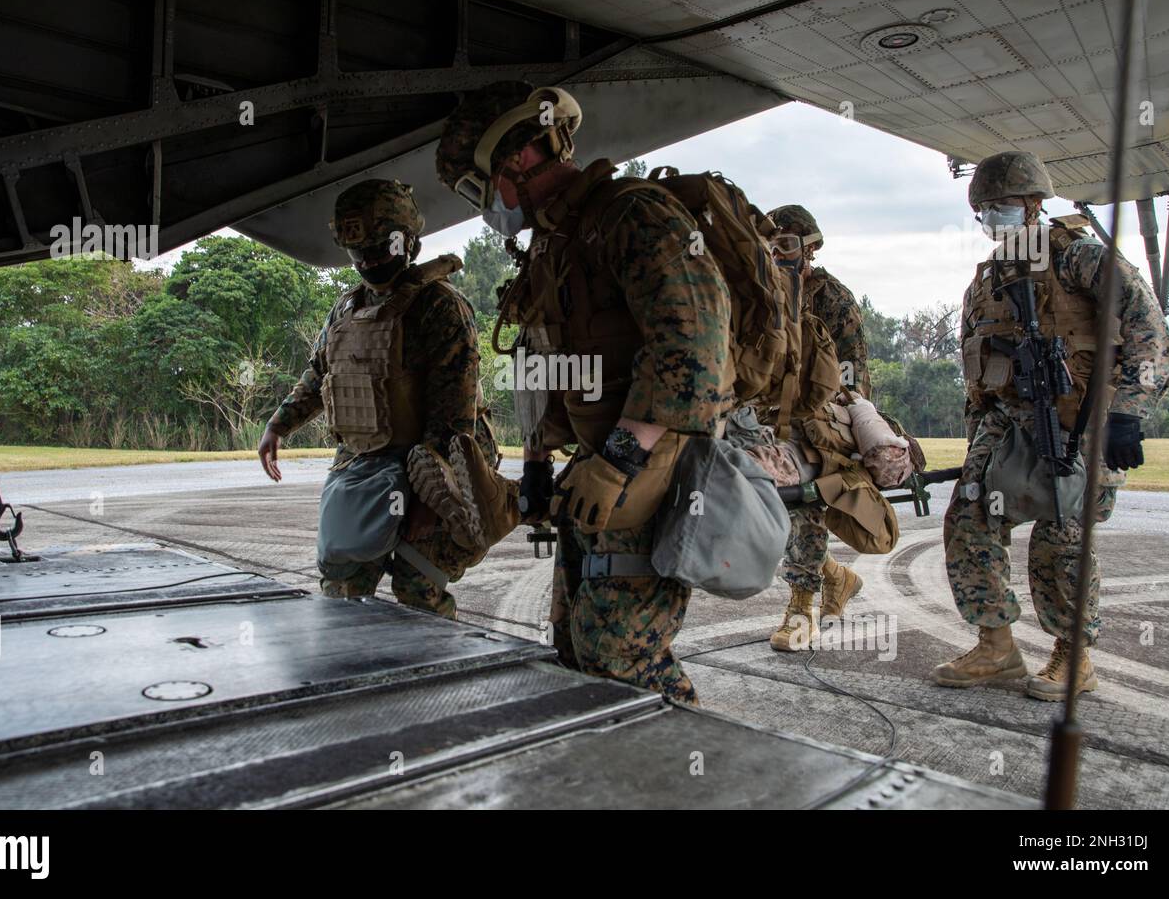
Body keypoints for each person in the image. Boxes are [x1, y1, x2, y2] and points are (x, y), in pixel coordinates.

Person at [435, 81, 734, 702]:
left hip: (647, 466)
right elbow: (546, 360)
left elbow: (695, 347)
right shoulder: (555, 244)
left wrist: (623, 457)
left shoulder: (632, 213)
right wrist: (538, 461)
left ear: (517, 159)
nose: (485, 202)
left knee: (619, 659)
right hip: (592, 471)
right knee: (574, 648)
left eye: (480, 183)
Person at [934, 150, 1169, 699]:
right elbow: (976, 362)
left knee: (1062, 539)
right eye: (984, 211)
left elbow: (1147, 329)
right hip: (1007, 424)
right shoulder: (987, 278)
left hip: (1079, 421)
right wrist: (978, 436)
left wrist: (1127, 415)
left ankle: (1073, 658)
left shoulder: (1081, 258)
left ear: (1034, 204)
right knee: (970, 522)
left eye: (1001, 206)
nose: (993, 219)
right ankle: (997, 648)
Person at [257, 178, 517, 620]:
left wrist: (427, 502)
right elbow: (321, 373)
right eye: (361, 255)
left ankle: (432, 683)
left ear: (409, 243)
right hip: (364, 465)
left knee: (419, 591)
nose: (371, 261)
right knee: (342, 591)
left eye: (382, 249)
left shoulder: (440, 307)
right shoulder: (347, 309)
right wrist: (278, 425)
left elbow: (456, 414)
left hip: (430, 466)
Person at [762, 204, 871, 651]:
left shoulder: (832, 299)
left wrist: (831, 429)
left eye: (786, 244)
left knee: (802, 500)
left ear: (810, 249)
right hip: (774, 417)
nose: (777, 254)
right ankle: (836, 576)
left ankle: (800, 609)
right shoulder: (764, 295)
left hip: (824, 420)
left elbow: (852, 377)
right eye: (771, 245)